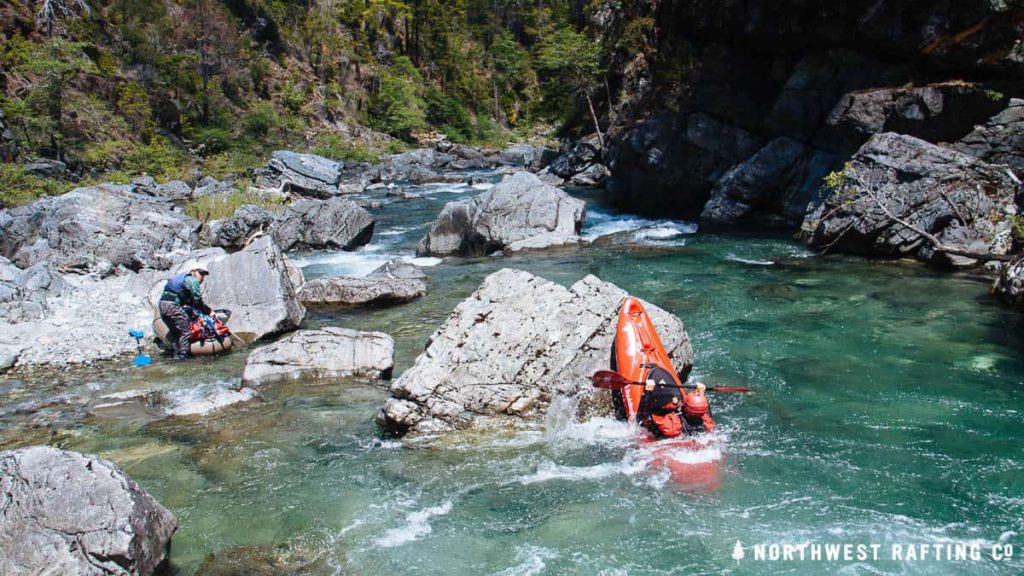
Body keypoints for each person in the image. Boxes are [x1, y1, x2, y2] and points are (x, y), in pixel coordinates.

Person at [159, 261, 212, 360]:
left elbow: (189, 301)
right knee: (185, 331)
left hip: (163, 306)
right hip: (172, 306)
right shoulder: (192, 280)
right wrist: (209, 311)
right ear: (193, 272)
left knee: (176, 332)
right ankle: (183, 356)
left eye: (204, 275)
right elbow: (197, 301)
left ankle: (176, 355)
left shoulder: (183, 278)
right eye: (201, 273)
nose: (202, 277)